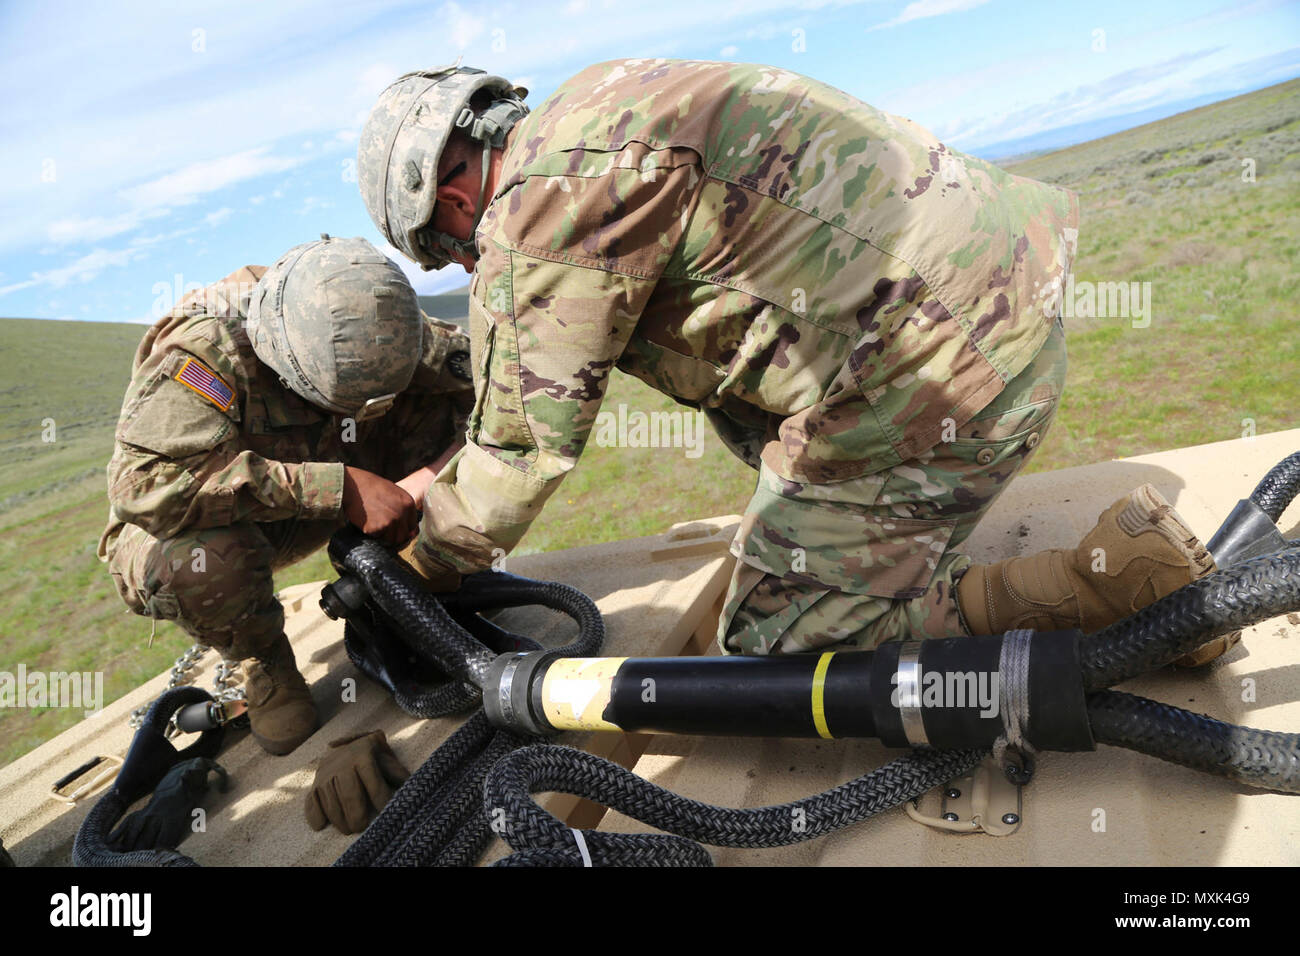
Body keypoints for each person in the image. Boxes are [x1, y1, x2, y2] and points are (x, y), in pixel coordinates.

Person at [355, 60, 1235, 667]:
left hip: (953, 377)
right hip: (1006, 307)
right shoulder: (599, 102)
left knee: (781, 637)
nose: (474, 271)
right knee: (775, 493)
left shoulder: (535, 214)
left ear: (456, 201)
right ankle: (879, 550)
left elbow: (519, 452)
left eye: (453, 255)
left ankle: (1118, 588)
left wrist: (407, 579)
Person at [99, 235, 474, 755]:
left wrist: (429, 477)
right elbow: (148, 487)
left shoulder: (371, 318)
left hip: (348, 484)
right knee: (196, 560)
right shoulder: (210, 346)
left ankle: (409, 582)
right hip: (219, 520)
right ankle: (263, 663)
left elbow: (495, 385)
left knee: (446, 408)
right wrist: (337, 487)